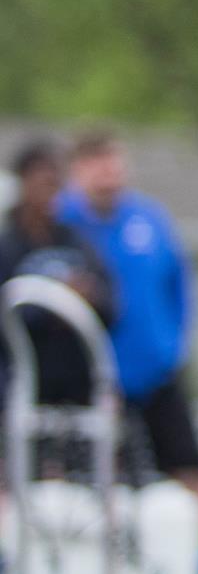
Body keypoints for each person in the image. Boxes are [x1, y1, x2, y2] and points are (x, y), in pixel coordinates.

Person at [57, 128, 198, 490]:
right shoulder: (61, 223)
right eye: (97, 163)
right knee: (92, 477)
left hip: (156, 372)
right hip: (89, 378)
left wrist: (174, 345)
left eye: (113, 162)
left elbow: (178, 284)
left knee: (186, 467)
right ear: (78, 170)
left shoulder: (149, 219)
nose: (108, 173)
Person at [0, 139, 119, 408]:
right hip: (22, 385)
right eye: (43, 184)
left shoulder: (76, 242)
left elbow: (110, 306)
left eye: (56, 186)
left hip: (77, 387)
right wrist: (54, 304)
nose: (50, 195)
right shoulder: (7, 248)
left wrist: (88, 296)